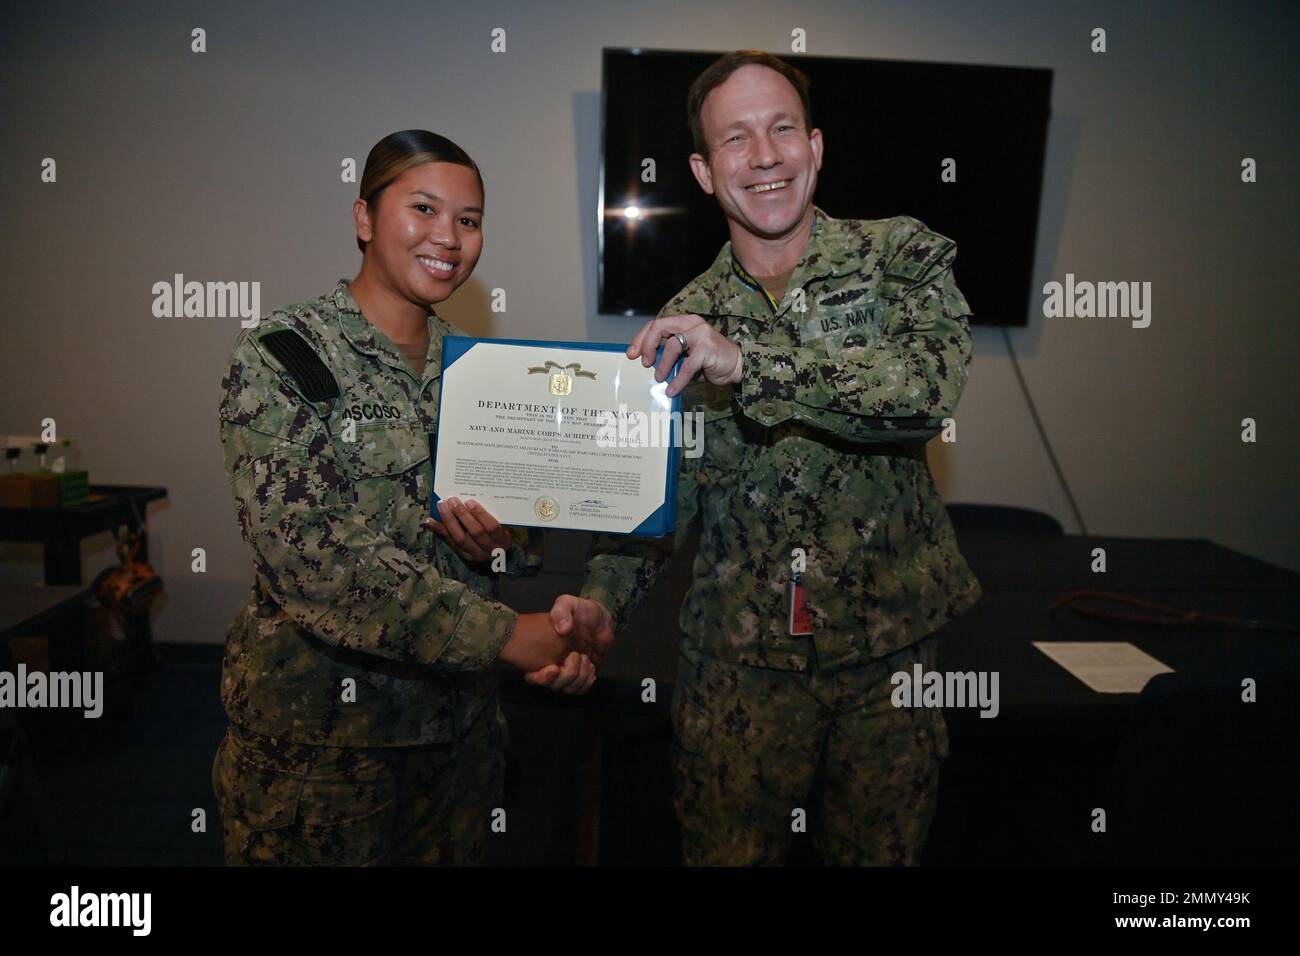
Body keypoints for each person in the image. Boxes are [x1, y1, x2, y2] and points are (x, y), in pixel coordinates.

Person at [551, 51, 983, 865]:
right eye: (736, 139)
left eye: (783, 129)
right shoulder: (684, 320)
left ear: (815, 147)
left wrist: (751, 365)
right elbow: (658, 496)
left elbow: (927, 389)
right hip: (736, 672)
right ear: (705, 172)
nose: (765, 156)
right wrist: (601, 605)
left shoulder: (901, 258)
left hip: (887, 662)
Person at [212, 129, 608, 866]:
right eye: (423, 208)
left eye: (469, 218)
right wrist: (511, 638)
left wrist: (501, 549)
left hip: (457, 739)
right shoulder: (284, 355)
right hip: (321, 746)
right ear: (364, 217)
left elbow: (522, 547)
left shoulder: (484, 372)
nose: (448, 238)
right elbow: (315, 564)